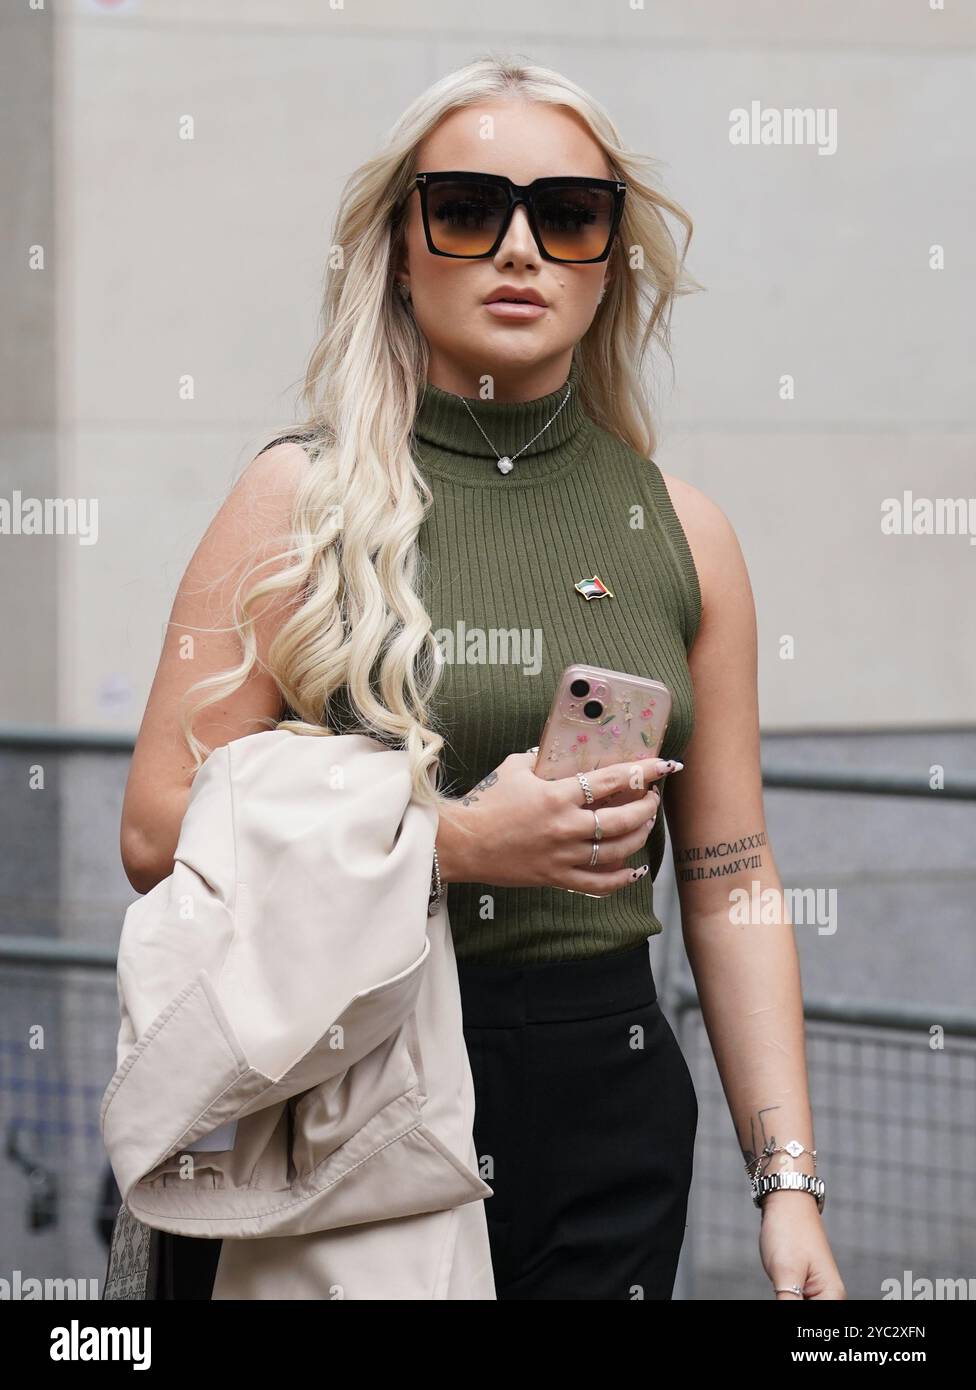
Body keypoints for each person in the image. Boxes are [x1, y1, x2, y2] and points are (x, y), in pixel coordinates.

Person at [118, 55, 845, 1301]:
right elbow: (152, 828)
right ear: (402, 247)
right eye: (467, 207)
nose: (519, 248)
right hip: (347, 1077)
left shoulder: (680, 528)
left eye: (566, 216)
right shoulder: (297, 498)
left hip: (599, 1092)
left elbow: (730, 881)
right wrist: (450, 843)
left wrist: (786, 1185)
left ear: (606, 260)